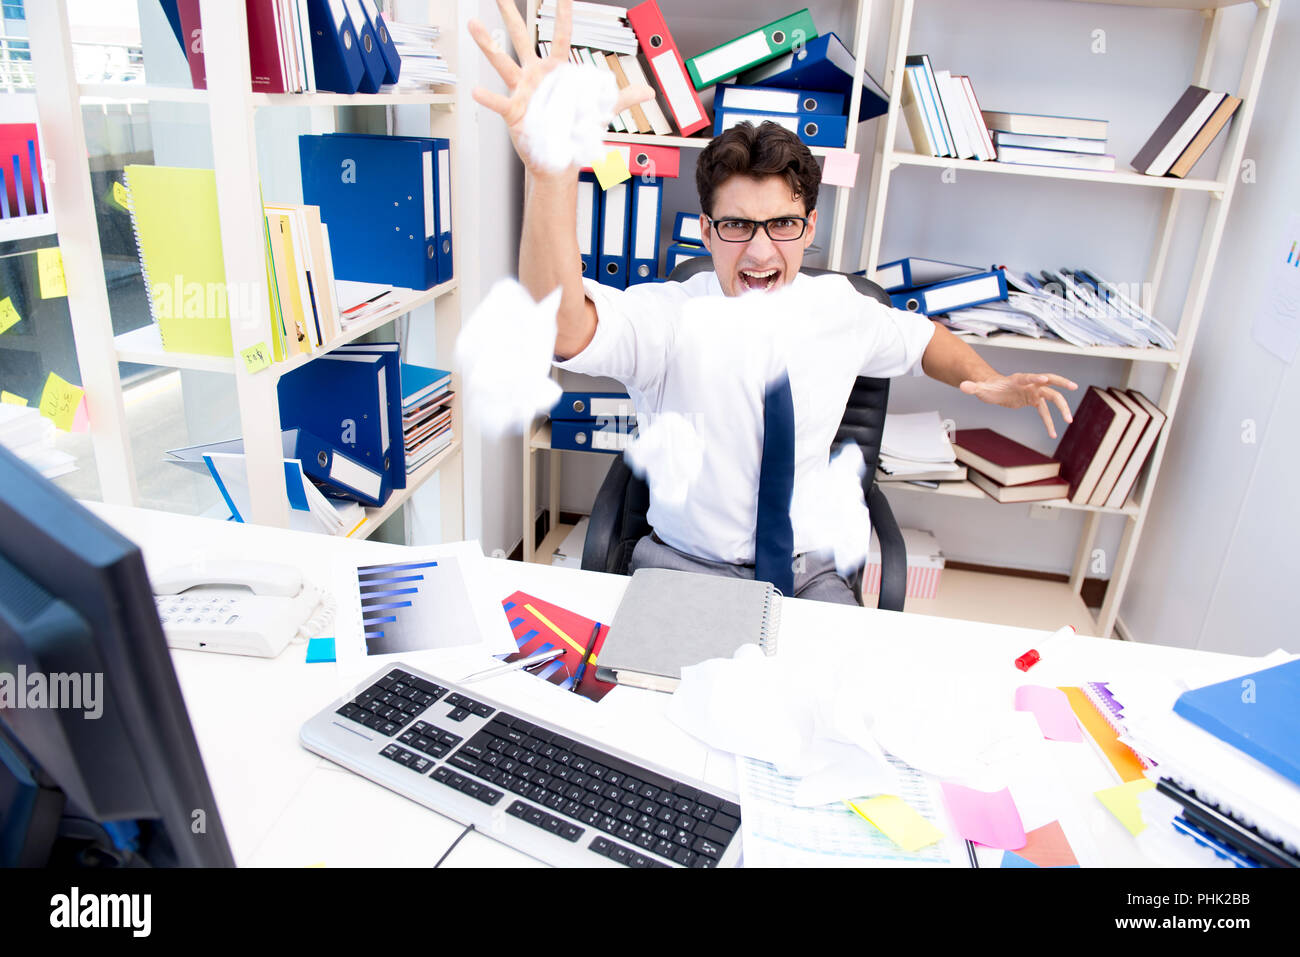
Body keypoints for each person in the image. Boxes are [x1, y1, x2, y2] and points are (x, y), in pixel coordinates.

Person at [470, 0, 1076, 605]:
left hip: (808, 574)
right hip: (685, 569)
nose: (760, 252)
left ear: (810, 228)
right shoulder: (672, 316)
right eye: (736, 227)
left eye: (782, 225)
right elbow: (563, 327)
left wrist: (986, 378)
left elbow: (925, 342)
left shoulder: (841, 307)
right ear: (706, 234)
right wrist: (550, 175)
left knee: (838, 699)